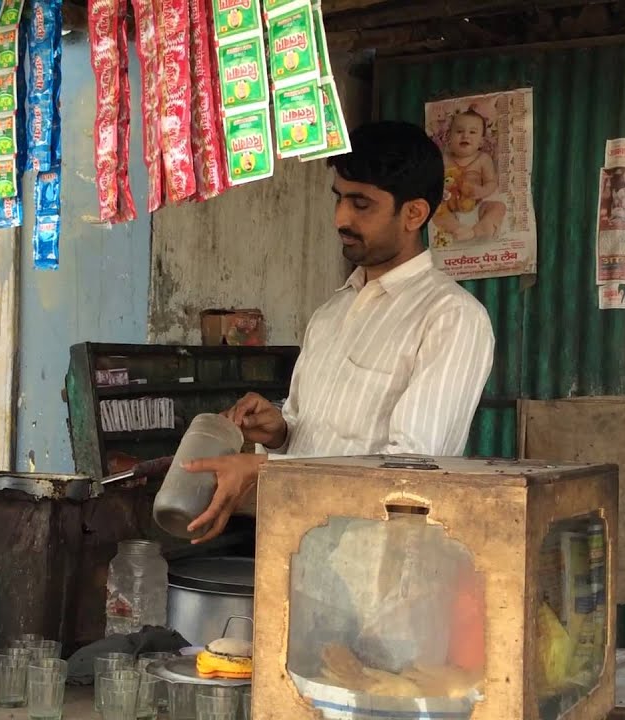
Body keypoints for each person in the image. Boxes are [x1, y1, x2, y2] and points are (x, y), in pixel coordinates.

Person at [183, 121, 496, 543]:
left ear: (414, 213)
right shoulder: (331, 313)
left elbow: (411, 470)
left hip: (379, 575)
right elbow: (308, 429)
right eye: (339, 199)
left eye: (361, 204)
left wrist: (266, 471)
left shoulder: (452, 317)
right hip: (298, 551)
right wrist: (280, 431)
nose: (340, 218)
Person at [430, 110, 507, 243]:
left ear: (481, 142)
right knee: (436, 213)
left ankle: (479, 229)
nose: (465, 135)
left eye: (472, 132)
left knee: (499, 206)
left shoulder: (483, 159)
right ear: (449, 137)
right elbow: (435, 182)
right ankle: (458, 229)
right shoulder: (444, 159)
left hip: (476, 207)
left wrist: (482, 191)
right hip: (450, 207)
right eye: (459, 131)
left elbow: (491, 182)